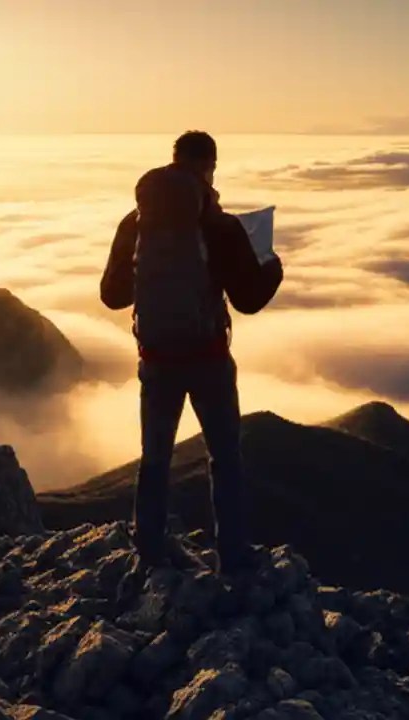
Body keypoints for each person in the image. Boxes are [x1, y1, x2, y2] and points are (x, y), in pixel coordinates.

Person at [100, 131, 283, 575]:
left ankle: (149, 551)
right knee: (224, 458)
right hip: (209, 359)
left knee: (155, 457)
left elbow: (111, 295)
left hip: (157, 358)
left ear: (174, 161)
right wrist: (272, 268)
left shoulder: (136, 222)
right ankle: (234, 559)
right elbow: (248, 301)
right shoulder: (220, 225)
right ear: (209, 168)